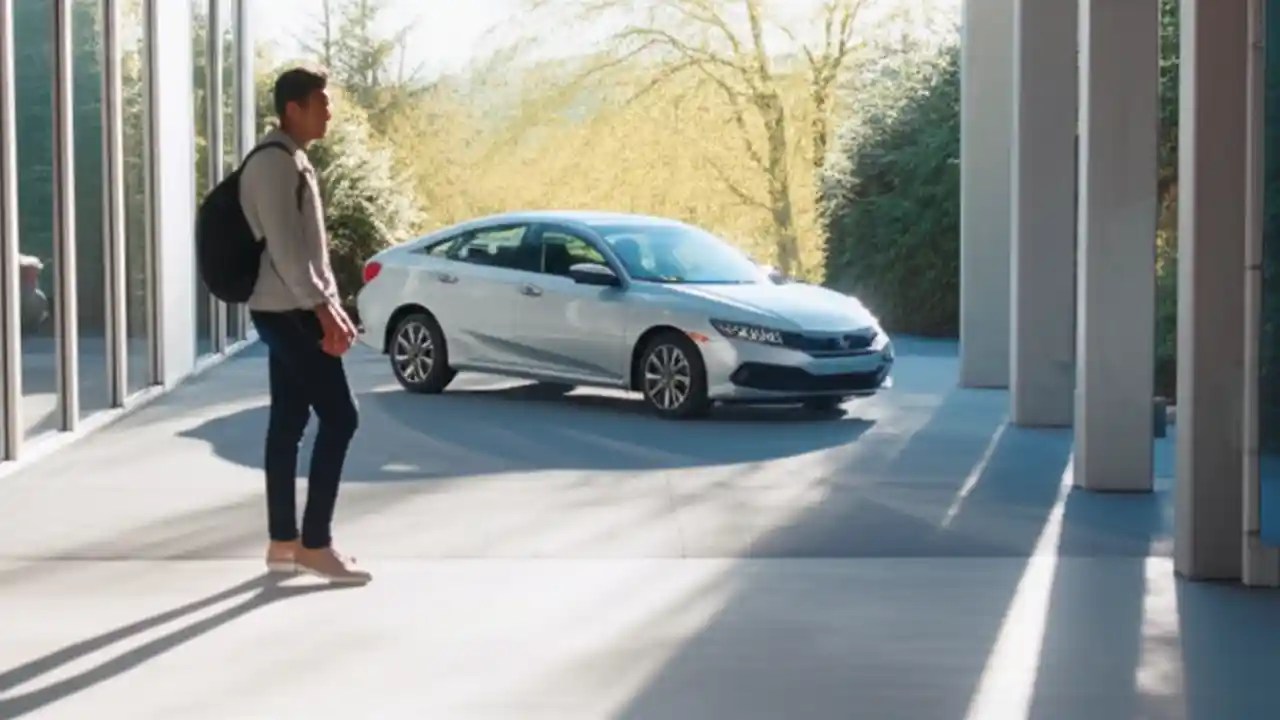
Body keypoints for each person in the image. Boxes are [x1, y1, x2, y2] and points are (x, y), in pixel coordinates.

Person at [239, 66, 369, 584]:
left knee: (289, 426)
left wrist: (331, 305)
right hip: (287, 310)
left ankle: (283, 542)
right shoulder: (274, 165)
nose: (329, 111)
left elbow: (308, 252)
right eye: (322, 102)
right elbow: (290, 254)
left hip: (290, 306)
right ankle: (315, 543)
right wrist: (323, 310)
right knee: (341, 417)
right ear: (293, 108)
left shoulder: (293, 160)